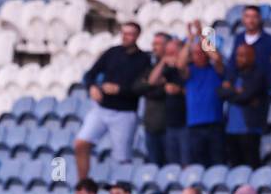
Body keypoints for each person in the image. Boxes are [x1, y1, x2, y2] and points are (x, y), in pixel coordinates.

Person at [74, 21, 150, 180]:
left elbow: (142, 88)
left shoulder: (143, 59)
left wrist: (120, 90)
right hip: (102, 108)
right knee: (81, 143)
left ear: (137, 36)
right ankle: (83, 183)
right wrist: (92, 87)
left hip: (125, 112)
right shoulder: (112, 52)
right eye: (124, 33)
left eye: (129, 34)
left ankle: (122, 188)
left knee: (122, 157)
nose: (125, 37)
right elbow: (90, 74)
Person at [180, 24, 226, 168]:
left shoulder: (215, 70)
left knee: (217, 161)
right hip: (195, 125)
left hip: (215, 123)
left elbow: (217, 58)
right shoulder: (190, 71)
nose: (198, 55)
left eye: (201, 52)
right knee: (198, 164)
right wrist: (190, 40)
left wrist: (202, 36)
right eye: (195, 53)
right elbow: (179, 64)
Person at [219, 44, 269, 169]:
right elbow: (220, 92)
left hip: (249, 130)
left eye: (243, 55)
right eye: (237, 55)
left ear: (252, 57)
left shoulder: (258, 75)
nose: (239, 59)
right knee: (235, 168)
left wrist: (232, 92)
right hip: (231, 130)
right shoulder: (234, 74)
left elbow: (246, 96)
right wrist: (237, 91)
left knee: (251, 167)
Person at [133, 32, 170, 167]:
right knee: (154, 166)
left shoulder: (173, 67)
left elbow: (165, 91)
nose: (154, 47)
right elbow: (138, 87)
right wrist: (153, 85)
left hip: (170, 126)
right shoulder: (148, 67)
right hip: (151, 125)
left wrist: (151, 86)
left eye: (158, 44)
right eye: (154, 44)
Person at [228, 5, 271, 89]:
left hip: (260, 92)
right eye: (247, 16)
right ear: (243, 19)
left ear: (260, 19)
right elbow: (233, 63)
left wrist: (265, 90)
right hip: (239, 90)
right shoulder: (239, 38)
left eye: (254, 17)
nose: (250, 20)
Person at [157, 39, 189, 166]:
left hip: (187, 123)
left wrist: (179, 90)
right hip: (170, 123)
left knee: (187, 163)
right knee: (173, 165)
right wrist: (162, 62)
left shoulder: (190, 67)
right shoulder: (168, 70)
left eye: (173, 52)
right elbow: (152, 81)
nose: (170, 55)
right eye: (167, 52)